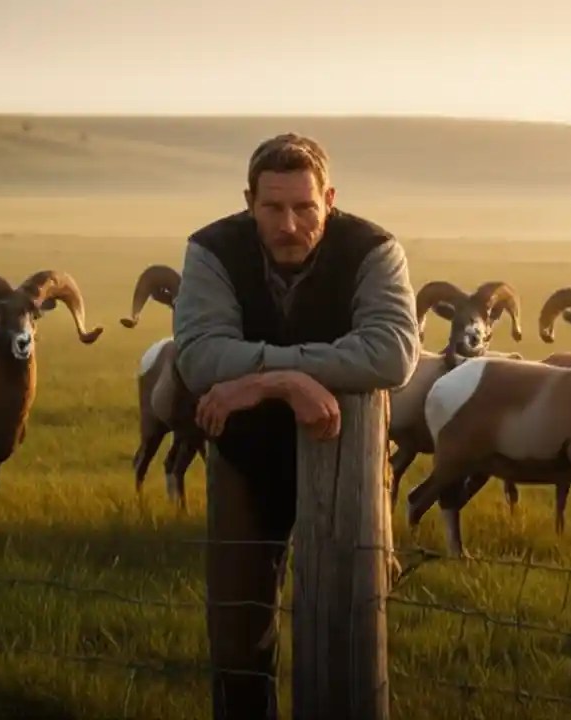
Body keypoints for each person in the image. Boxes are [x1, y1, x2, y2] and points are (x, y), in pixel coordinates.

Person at [172, 132, 421, 719]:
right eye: (272, 208)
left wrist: (259, 381)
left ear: (329, 199)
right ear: (248, 200)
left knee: (347, 620)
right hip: (245, 460)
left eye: (305, 207)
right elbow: (200, 357)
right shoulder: (211, 249)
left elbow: (392, 353)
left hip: (344, 461)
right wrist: (294, 382)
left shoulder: (374, 250)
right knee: (238, 634)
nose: (289, 224)